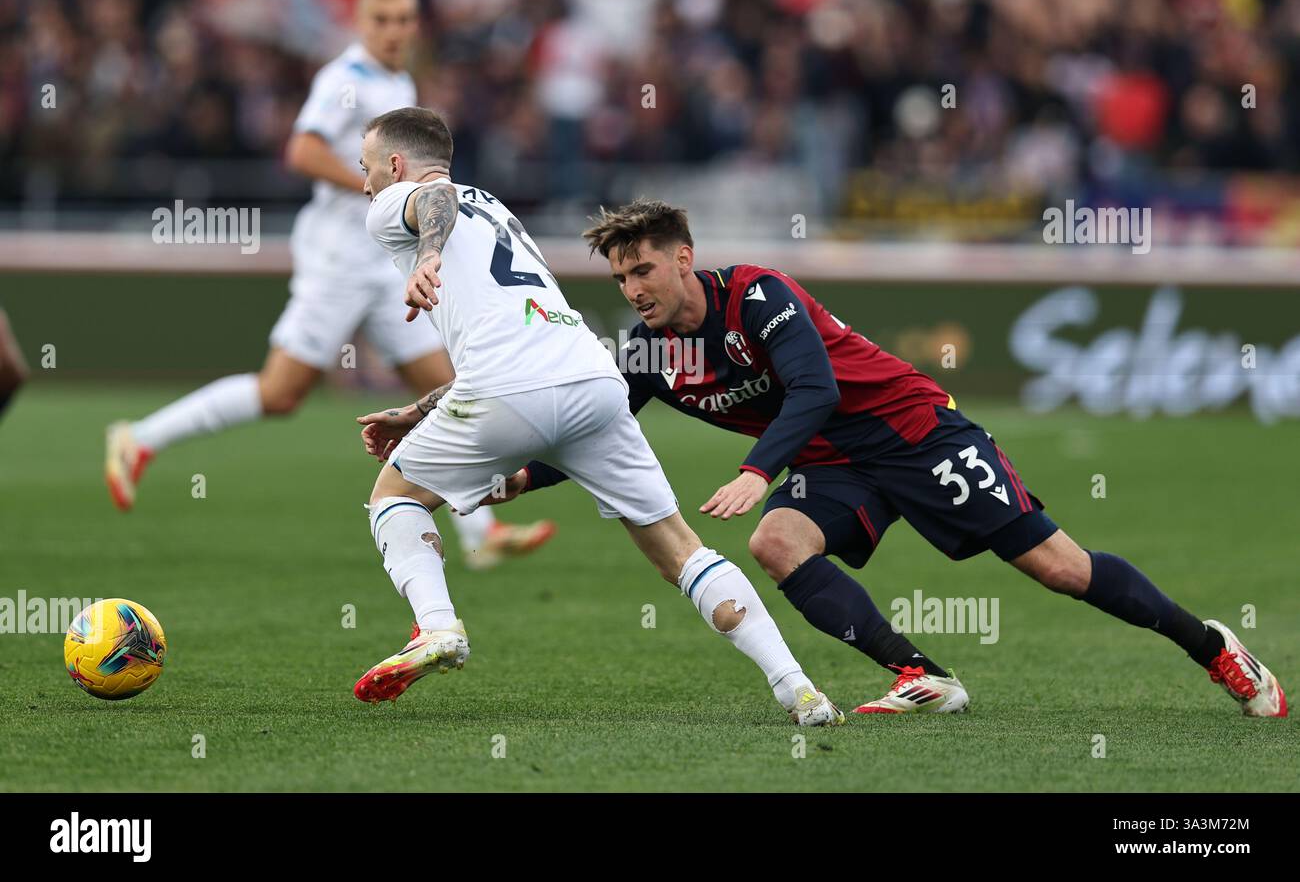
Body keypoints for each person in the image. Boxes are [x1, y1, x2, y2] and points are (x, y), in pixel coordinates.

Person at [494, 198, 1287, 719]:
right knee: (775, 543)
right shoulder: (648, 353)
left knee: (1060, 569)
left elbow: (813, 390)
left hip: (914, 431)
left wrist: (755, 470)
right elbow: (604, 437)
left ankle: (1213, 647)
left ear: (683, 258)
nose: (633, 288)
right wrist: (520, 477)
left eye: (643, 269)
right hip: (835, 462)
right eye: (620, 276)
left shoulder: (758, 294)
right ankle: (921, 675)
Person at [350, 107, 842, 726]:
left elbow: (432, 201)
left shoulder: (401, 201)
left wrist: (425, 254)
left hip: (508, 385)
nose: (363, 179)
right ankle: (797, 688)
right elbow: (512, 331)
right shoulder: (496, 207)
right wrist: (419, 409)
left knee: (395, 496)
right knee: (678, 550)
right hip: (591, 379)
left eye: (366, 166)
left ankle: (437, 627)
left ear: (395, 165)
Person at [103, 0, 553, 569]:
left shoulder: (400, 81)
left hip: (387, 265)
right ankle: (139, 438)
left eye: (405, 20)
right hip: (339, 262)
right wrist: (378, 189)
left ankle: (480, 532)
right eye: (382, 21)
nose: (395, 31)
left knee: (445, 384)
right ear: (361, 24)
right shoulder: (344, 78)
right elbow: (302, 151)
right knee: (282, 392)